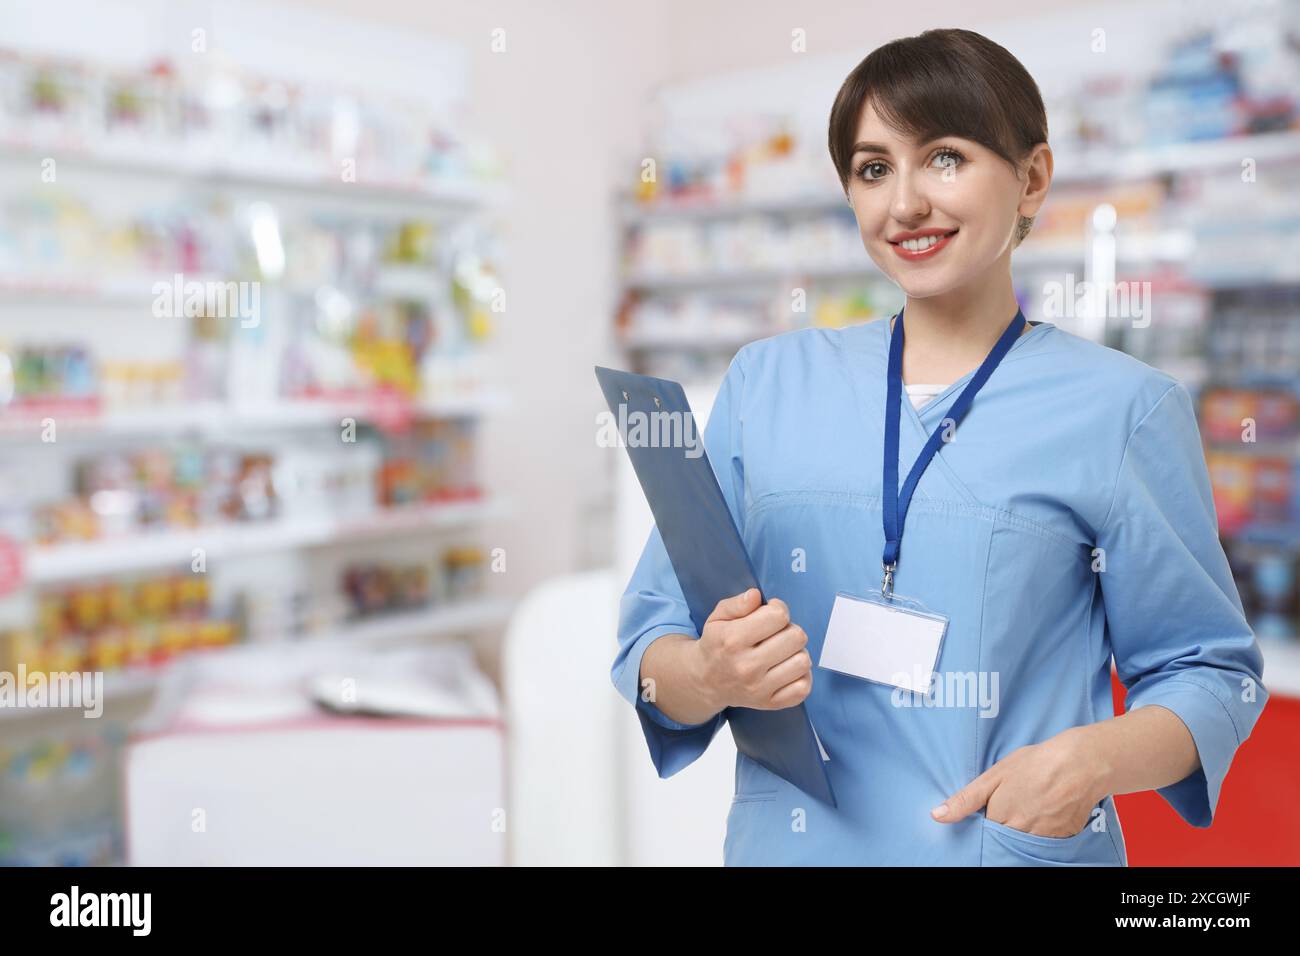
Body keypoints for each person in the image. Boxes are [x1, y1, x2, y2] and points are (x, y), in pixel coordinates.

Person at [611, 27, 1268, 866]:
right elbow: (649, 650)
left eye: (946, 158)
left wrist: (1090, 762)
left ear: (1032, 180)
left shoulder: (1122, 411)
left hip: (1001, 847)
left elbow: (1211, 673)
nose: (905, 204)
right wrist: (709, 675)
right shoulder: (766, 385)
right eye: (873, 168)